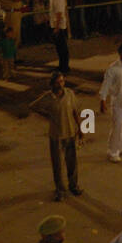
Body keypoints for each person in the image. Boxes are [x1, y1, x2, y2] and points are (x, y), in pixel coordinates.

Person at [46, 71, 84, 201]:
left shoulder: (69, 94)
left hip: (70, 133)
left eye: (62, 81)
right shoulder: (48, 97)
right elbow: (34, 106)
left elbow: (75, 111)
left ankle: (73, 186)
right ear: (52, 84)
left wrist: (80, 128)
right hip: (56, 136)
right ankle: (60, 190)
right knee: (57, 165)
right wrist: (48, 116)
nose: (60, 84)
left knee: (72, 163)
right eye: (57, 82)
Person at [48, 0, 70, 75]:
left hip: (59, 25)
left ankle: (64, 67)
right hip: (58, 24)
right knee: (60, 47)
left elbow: (59, 12)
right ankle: (62, 65)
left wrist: (56, 27)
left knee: (62, 47)